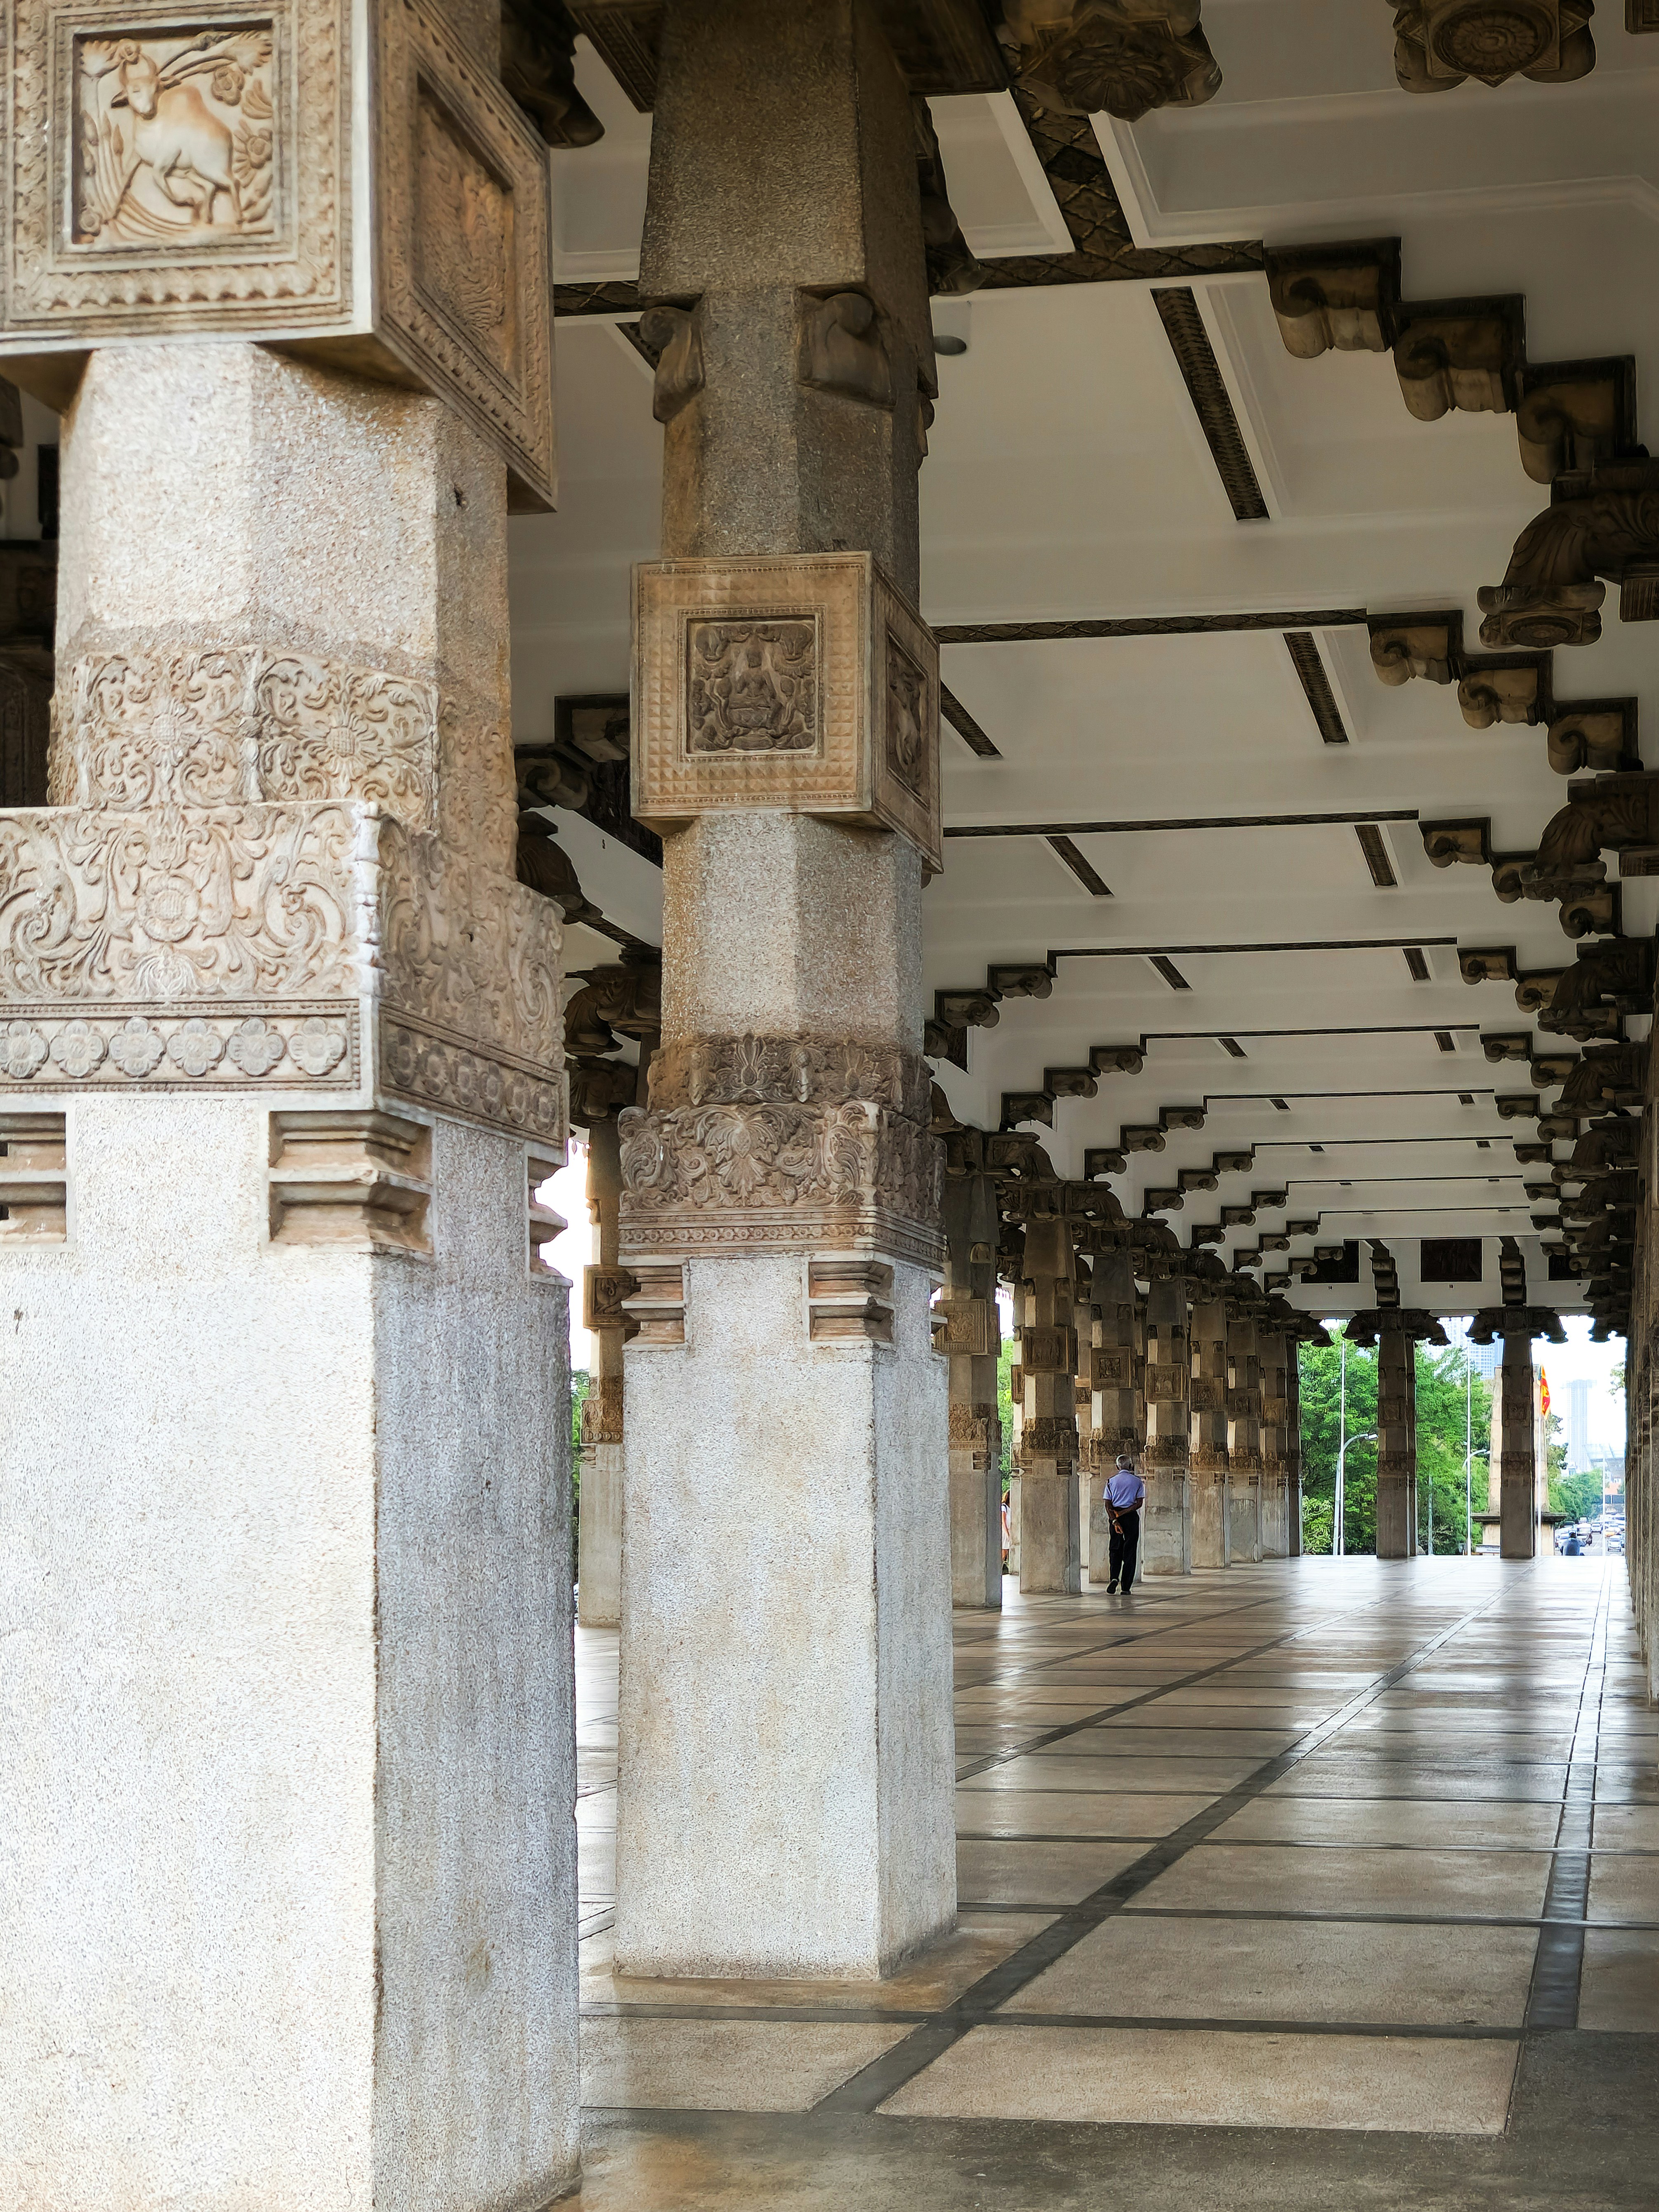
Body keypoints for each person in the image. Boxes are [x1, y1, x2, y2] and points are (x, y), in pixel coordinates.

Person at [1104, 1452, 1145, 1594]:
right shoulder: (1137, 1482)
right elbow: (1139, 1503)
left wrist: (1115, 1520)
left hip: (1115, 1517)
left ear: (1117, 1467)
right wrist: (1125, 1512)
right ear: (1131, 1466)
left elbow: (1108, 1505)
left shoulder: (1111, 1481)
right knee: (1130, 1551)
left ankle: (1114, 1577)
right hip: (1131, 1519)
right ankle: (1126, 1587)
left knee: (1115, 1549)